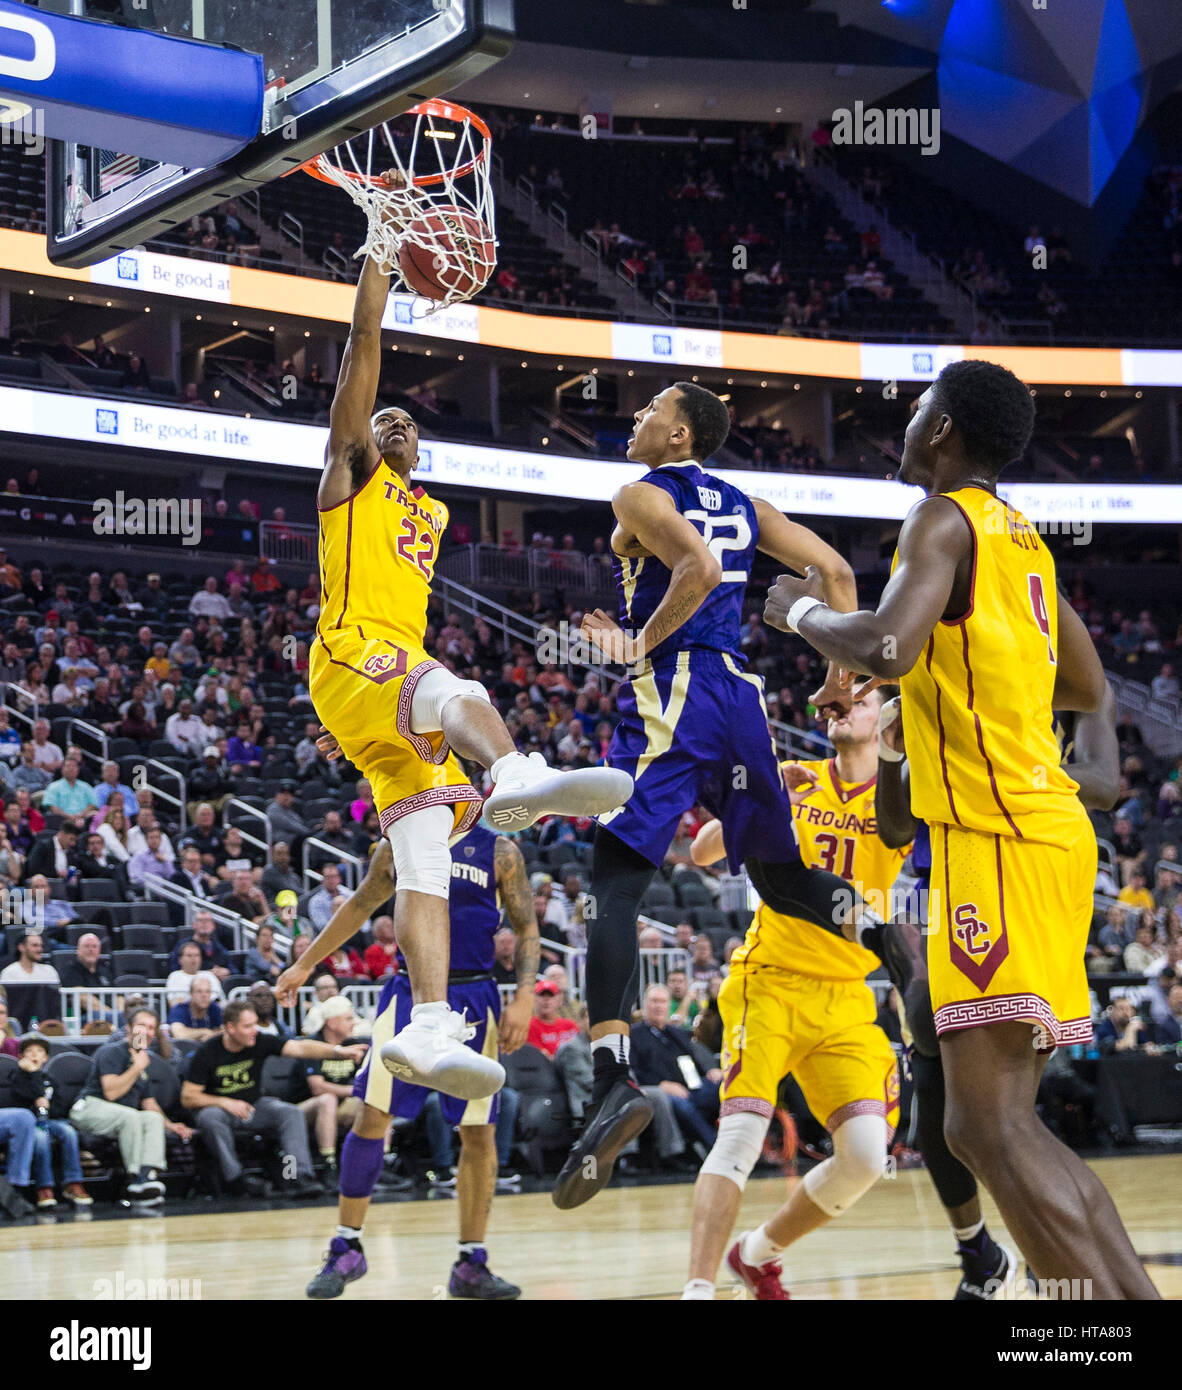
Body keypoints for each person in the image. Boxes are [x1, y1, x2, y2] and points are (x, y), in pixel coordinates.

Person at [762, 358, 1157, 1300]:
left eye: (918, 412)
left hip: (1004, 839)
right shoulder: (1021, 540)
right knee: (991, 1124)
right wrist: (929, 702)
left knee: (987, 1127)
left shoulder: (940, 519)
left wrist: (804, 612)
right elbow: (1086, 688)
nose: (905, 428)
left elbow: (888, 641)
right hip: (1034, 834)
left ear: (943, 431)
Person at [308, 240, 630, 1103]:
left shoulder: (430, 509)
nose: (396, 425)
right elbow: (363, 348)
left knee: (421, 855)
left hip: (379, 702)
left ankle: (426, 1024)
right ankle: (516, 771)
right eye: (384, 422)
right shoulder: (347, 480)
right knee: (460, 689)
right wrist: (374, 261)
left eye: (410, 425)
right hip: (352, 655)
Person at [554, 382, 865, 1210]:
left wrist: (632, 646)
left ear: (679, 430)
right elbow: (834, 571)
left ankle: (612, 1083)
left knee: (614, 878)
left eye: (647, 410)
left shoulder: (638, 492)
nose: (634, 418)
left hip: (679, 685)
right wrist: (841, 678)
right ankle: (909, 962)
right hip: (741, 696)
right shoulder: (747, 500)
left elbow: (695, 567)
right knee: (782, 879)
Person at [682, 688, 906, 1299]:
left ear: (887, 716)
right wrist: (753, 801)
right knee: (741, 1136)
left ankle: (755, 1254)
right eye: (840, 701)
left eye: (863, 699)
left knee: (865, 1156)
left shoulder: (904, 807)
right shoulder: (796, 780)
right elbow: (702, 852)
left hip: (847, 994)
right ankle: (698, 1290)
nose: (845, 707)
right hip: (770, 982)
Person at [278, 818, 538, 1301]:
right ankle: (347, 1246)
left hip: (474, 997)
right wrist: (304, 964)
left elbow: (525, 926)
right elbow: (359, 905)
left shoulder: (500, 850)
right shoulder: (398, 843)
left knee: (478, 1131)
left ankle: (471, 1262)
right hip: (408, 996)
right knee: (373, 1116)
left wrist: (525, 995)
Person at [181, 999, 365, 1199]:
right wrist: (225, 1102)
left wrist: (338, 1052)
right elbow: (189, 1097)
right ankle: (235, 1180)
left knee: (290, 1113)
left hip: (254, 1107)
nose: (255, 1030)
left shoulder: (258, 1040)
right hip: (220, 1110)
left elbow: (300, 1048)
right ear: (231, 1028)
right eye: (248, 1026)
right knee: (210, 1118)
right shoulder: (208, 1052)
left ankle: (296, 1176)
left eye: (255, 1024)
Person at [69, 1008, 194, 1206]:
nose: (147, 1031)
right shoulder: (111, 1051)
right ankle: (135, 1178)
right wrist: (136, 1068)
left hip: (123, 1116)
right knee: (132, 1116)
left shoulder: (145, 1060)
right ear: (128, 1028)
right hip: (89, 1108)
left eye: (152, 1027)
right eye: (142, 1025)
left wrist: (171, 1125)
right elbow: (111, 1093)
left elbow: (149, 1104)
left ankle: (148, 1175)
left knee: (151, 1118)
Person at [11, 1036, 92, 1209]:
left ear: (46, 1057)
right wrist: (33, 1074)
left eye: (39, 1051)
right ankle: (44, 1187)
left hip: (52, 1120)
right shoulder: (16, 1078)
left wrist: (46, 1106)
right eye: (29, 1051)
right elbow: (18, 1105)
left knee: (68, 1132)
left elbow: (60, 1107)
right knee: (40, 1138)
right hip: (29, 1124)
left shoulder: (50, 1080)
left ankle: (73, 1182)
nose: (34, 1055)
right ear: (21, 1057)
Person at [167, 975, 224, 1042]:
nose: (204, 995)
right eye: (199, 991)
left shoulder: (215, 1008)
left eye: (207, 991)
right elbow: (179, 1034)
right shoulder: (179, 1009)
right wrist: (204, 1032)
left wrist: (212, 1035)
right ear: (191, 994)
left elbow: (226, 1030)